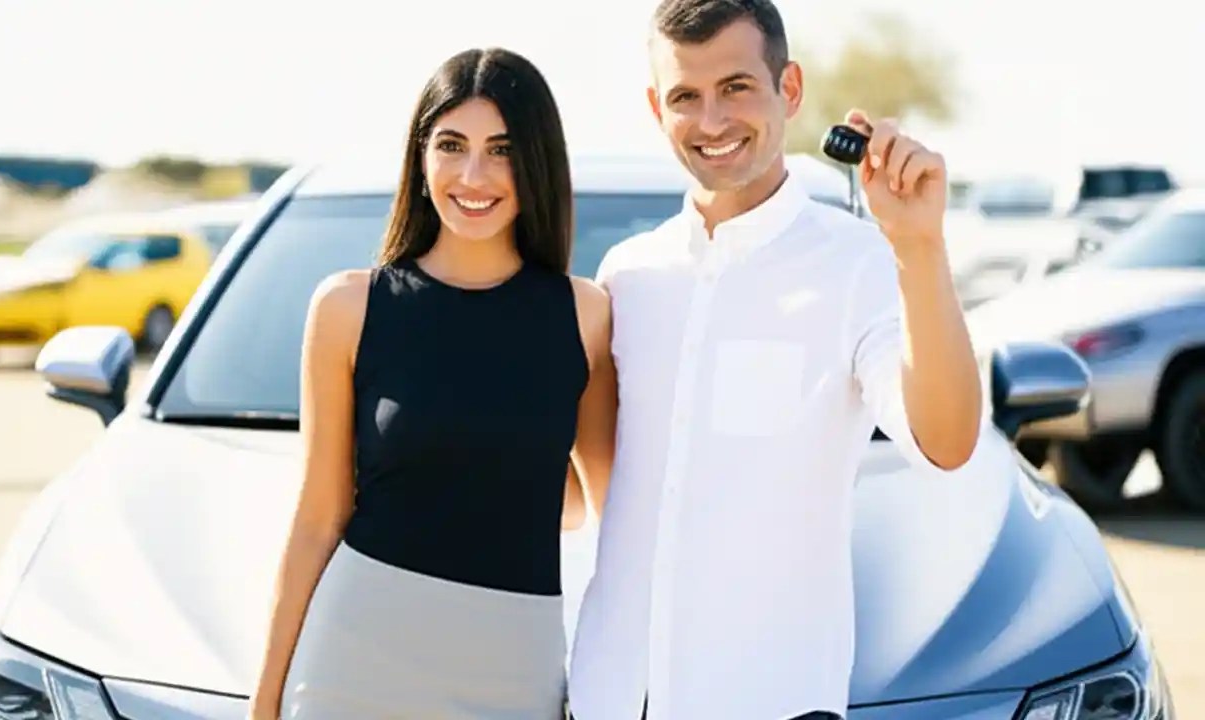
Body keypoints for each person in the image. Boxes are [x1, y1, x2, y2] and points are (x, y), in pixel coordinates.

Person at [566, 1, 985, 719]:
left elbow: (946, 441)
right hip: (607, 695)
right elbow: (614, 498)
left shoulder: (863, 264)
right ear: (654, 108)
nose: (711, 121)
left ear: (788, 90)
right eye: (685, 97)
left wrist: (920, 246)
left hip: (773, 703)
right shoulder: (626, 274)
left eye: (736, 87)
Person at [246, 46, 616, 720]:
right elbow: (317, 517)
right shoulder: (348, 308)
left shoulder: (585, 316)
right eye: (452, 144)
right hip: (353, 658)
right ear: (421, 158)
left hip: (515, 667)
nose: (473, 174)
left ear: (536, 162)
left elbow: (615, 510)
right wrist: (264, 701)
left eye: (501, 149)